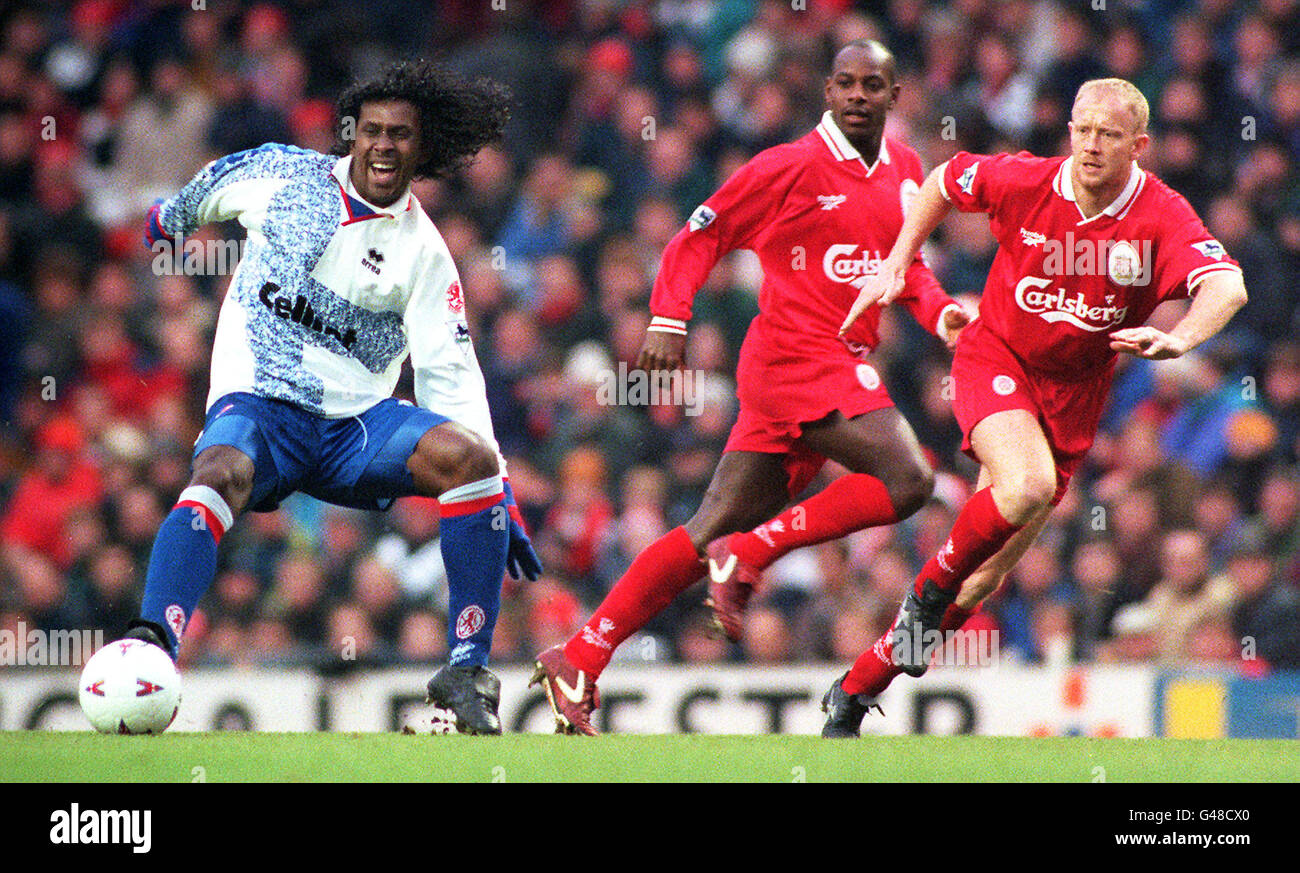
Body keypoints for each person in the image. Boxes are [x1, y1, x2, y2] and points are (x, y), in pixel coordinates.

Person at [530, 41, 972, 736]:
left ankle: (581, 654)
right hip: (796, 359)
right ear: (828, 90)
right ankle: (755, 553)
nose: (858, 94)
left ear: (893, 95)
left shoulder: (908, 170)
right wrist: (669, 318)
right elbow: (696, 236)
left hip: (822, 369)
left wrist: (942, 311)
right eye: (847, 82)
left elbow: (904, 267)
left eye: (873, 84)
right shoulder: (786, 167)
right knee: (910, 479)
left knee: (707, 529)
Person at [126, 60, 540, 736]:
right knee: (219, 473)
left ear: (422, 147)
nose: (383, 144)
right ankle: (152, 644)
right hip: (262, 400)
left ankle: (466, 669)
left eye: (400, 134)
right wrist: (171, 215)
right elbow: (216, 184)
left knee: (469, 462)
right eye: (371, 130)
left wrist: (497, 485)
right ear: (351, 134)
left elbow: (453, 376)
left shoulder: (426, 254)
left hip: (354, 427)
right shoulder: (286, 179)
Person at [829, 77, 1247, 737]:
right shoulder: (1026, 181)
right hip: (996, 360)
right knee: (1025, 487)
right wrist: (896, 262)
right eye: (1082, 129)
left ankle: (852, 693)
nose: (1091, 145)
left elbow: (1227, 284)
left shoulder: (1160, 213)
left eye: (1109, 135)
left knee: (980, 583)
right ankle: (924, 593)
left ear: (1138, 145)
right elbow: (941, 181)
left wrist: (1180, 337)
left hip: (1073, 403)